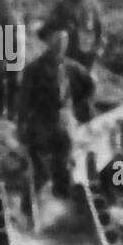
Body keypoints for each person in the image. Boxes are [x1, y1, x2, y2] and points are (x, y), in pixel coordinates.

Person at [16, 30, 95, 200]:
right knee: (60, 158)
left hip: (49, 120)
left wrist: (21, 122)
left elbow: (24, 98)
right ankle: (56, 193)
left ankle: (50, 191)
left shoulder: (39, 68)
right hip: (55, 119)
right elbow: (89, 84)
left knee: (49, 156)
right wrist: (78, 102)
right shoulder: (66, 67)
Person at [37, 0, 105, 120]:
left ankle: (87, 117)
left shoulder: (92, 6)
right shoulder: (62, 7)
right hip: (68, 55)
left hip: (88, 54)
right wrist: (54, 42)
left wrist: (98, 49)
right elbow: (46, 30)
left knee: (88, 87)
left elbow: (101, 30)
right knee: (68, 89)